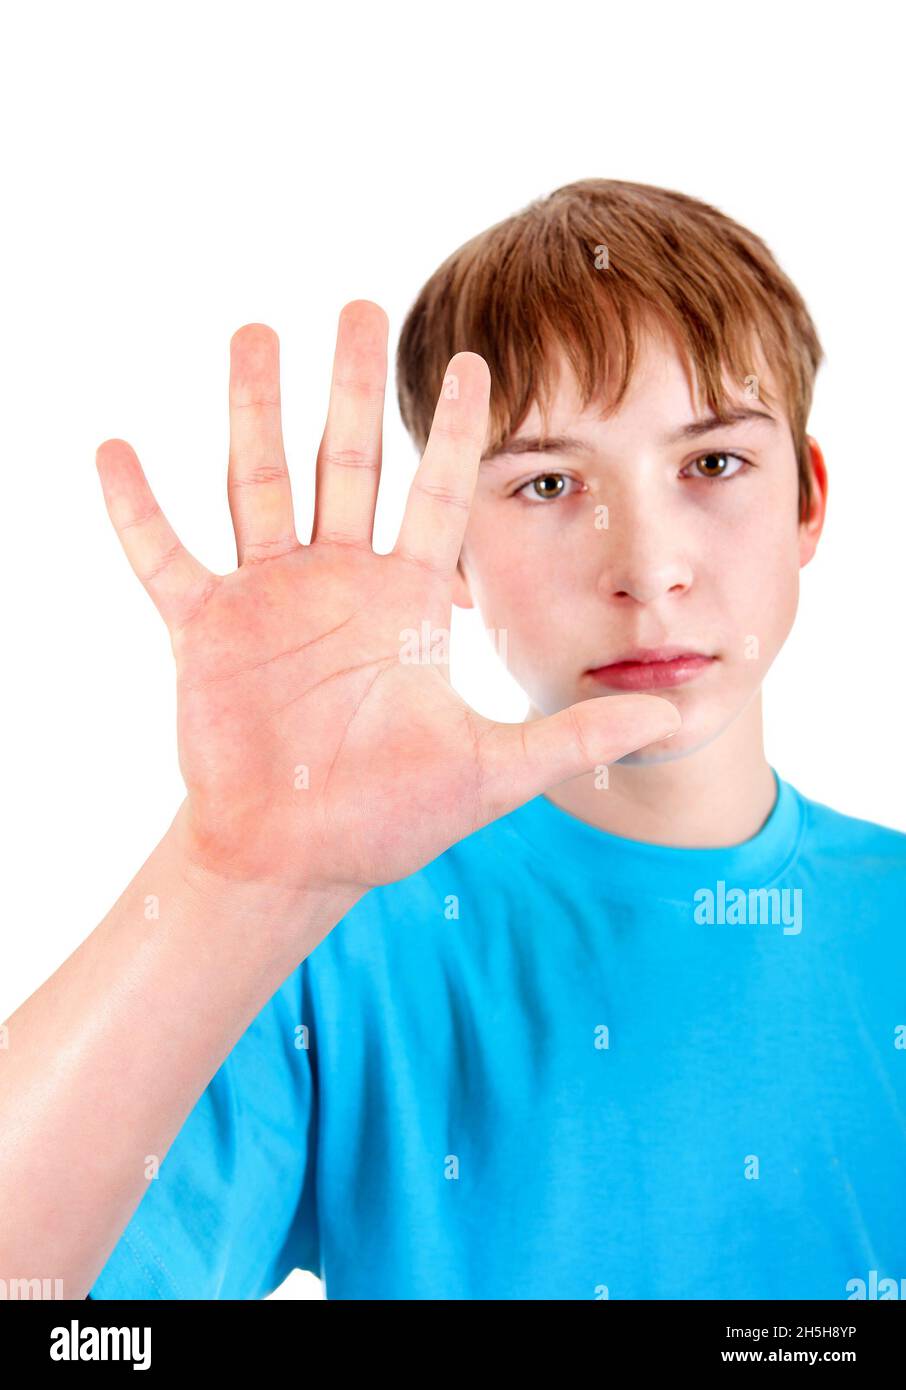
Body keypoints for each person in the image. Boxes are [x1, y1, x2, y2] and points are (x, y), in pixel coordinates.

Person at [3, 179, 904, 1301]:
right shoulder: (337, 933)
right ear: (457, 557)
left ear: (810, 500)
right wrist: (225, 874)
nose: (648, 567)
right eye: (548, 482)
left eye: (712, 463)